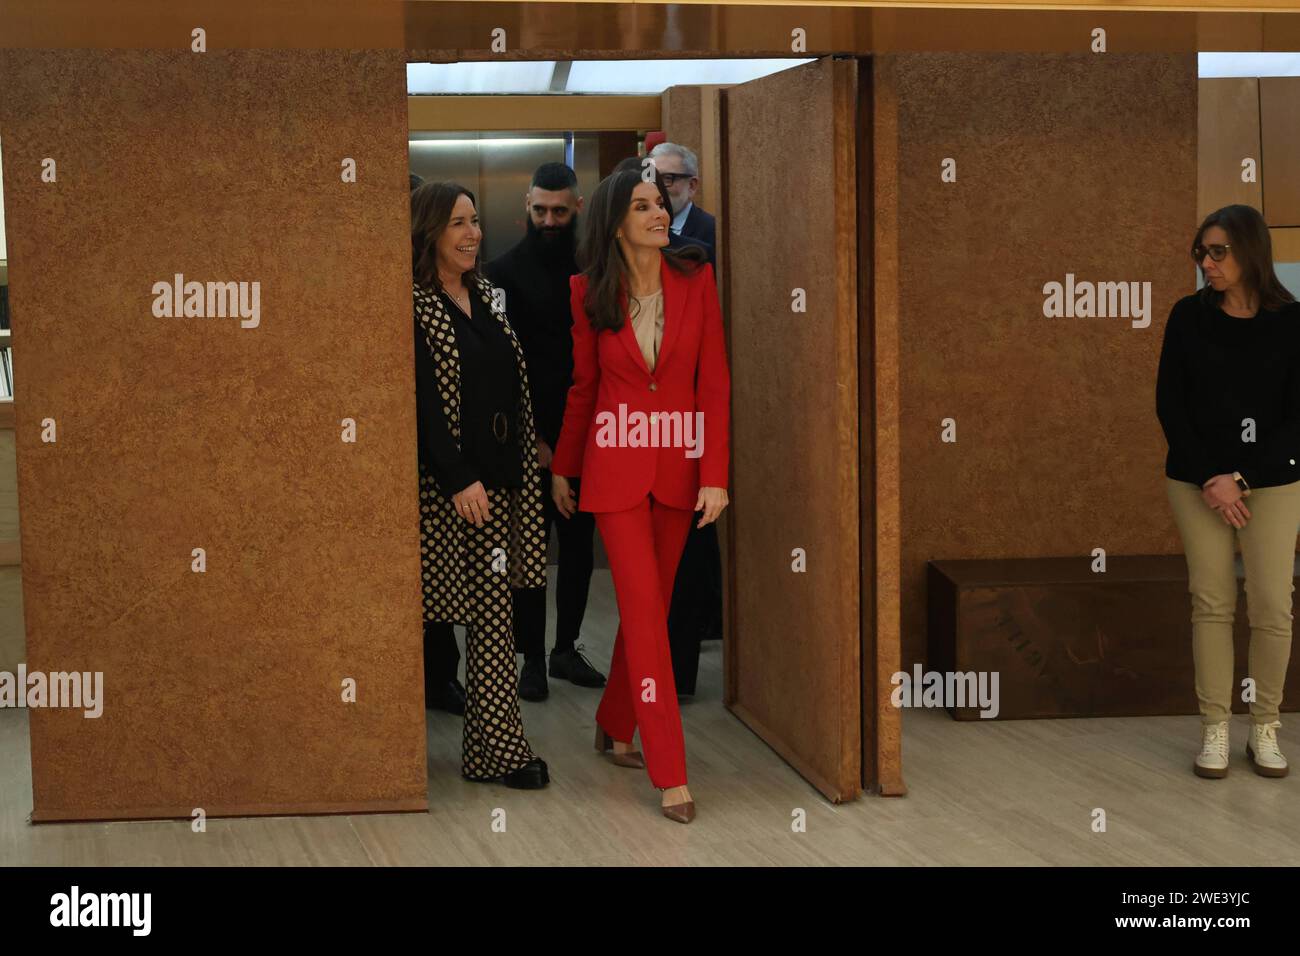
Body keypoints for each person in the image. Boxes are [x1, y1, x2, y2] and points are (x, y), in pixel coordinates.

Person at [551, 164, 731, 823]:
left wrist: (715, 473)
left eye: (661, 203)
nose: (661, 214)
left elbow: (713, 383)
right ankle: (670, 771)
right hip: (615, 472)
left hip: (681, 472)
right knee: (648, 613)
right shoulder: (587, 291)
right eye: (644, 206)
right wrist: (564, 468)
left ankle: (613, 722)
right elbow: (584, 388)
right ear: (616, 223)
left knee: (647, 605)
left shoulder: (697, 280)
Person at [412, 180, 550, 789]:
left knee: (496, 619)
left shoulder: (490, 295)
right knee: (460, 617)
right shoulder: (414, 304)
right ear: (431, 234)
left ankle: (495, 751)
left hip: (502, 485)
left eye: (475, 222)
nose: (473, 234)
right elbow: (420, 405)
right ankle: (491, 752)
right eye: (458, 224)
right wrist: (458, 476)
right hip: (449, 496)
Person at [1157, 203, 1300, 780]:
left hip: (1273, 481)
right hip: (1196, 482)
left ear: (1250, 252)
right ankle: (1214, 730)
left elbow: (1296, 419)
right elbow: (1172, 405)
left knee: (1272, 605)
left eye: (1218, 252)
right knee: (1212, 602)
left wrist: (1241, 478)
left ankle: (1264, 727)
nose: (1206, 263)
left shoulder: (1293, 322)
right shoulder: (1187, 317)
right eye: (1201, 252)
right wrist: (1212, 479)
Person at [484, 163, 606, 701]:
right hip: (527, 437)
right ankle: (530, 657)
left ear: (577, 208)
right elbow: (499, 367)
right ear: (526, 210)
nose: (549, 220)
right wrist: (530, 439)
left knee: (579, 547)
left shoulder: (599, 268)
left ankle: (565, 648)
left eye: (560, 211)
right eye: (540, 211)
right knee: (529, 552)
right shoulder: (499, 273)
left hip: (589, 435)